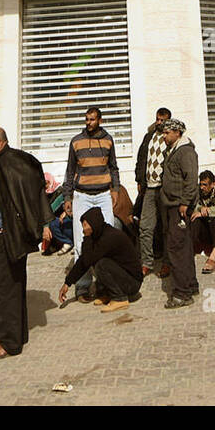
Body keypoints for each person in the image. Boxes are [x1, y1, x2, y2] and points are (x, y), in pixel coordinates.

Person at [0, 127, 46, 361]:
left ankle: (8, 342)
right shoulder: (12, 160)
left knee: (4, 288)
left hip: (6, 234)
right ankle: (17, 334)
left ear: (0, 143)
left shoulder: (6, 163)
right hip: (11, 233)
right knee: (15, 283)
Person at [62, 106, 121, 301]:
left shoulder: (108, 140)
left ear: (100, 120)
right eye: (87, 119)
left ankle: (105, 285)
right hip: (82, 196)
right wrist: (67, 197)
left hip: (104, 194)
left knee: (108, 239)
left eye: (92, 119)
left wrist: (115, 190)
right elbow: (70, 171)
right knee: (81, 242)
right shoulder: (76, 142)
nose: (89, 123)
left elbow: (113, 167)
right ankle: (83, 287)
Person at [58, 208, 143, 314]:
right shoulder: (99, 234)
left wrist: (87, 237)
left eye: (85, 225)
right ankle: (108, 294)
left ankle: (119, 298)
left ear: (94, 223)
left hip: (132, 283)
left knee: (101, 264)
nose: (84, 229)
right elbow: (83, 261)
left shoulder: (109, 236)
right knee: (98, 261)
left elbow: (88, 260)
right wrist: (67, 283)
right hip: (124, 277)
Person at [158, 119, 200, 309]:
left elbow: (191, 179)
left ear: (176, 132)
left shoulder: (185, 152)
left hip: (179, 207)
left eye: (167, 133)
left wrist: (184, 203)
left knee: (176, 249)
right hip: (172, 205)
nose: (164, 137)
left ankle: (182, 293)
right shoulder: (174, 150)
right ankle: (190, 285)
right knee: (183, 247)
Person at [134, 106, 171, 276]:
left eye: (163, 120)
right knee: (146, 227)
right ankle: (147, 262)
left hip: (164, 190)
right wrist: (139, 179)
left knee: (166, 228)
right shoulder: (149, 137)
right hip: (149, 188)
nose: (159, 122)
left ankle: (167, 262)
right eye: (157, 119)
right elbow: (141, 158)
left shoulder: (171, 139)